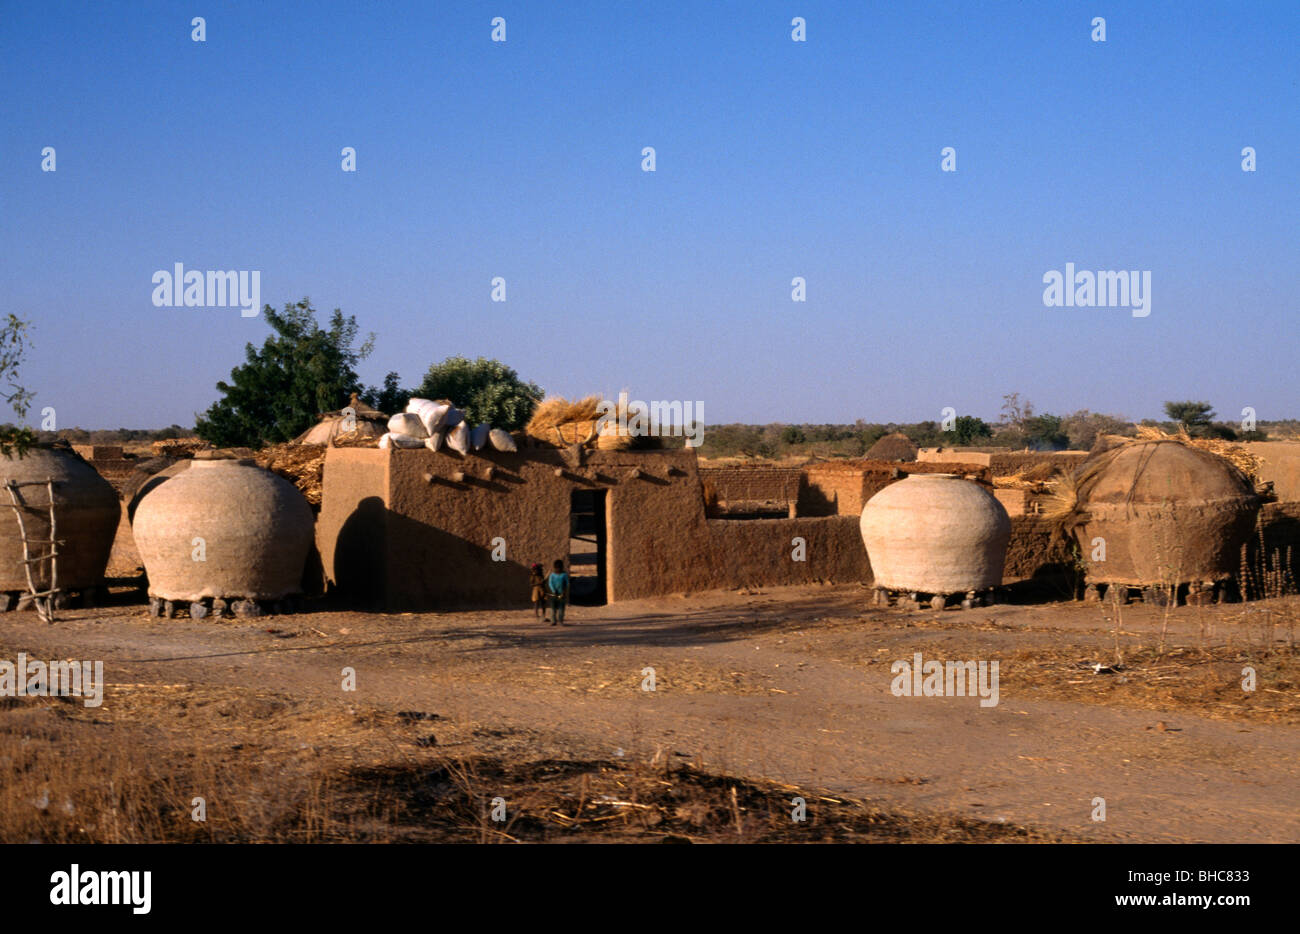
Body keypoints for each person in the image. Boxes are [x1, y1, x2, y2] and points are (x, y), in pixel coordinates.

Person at [546, 559, 570, 626]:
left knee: (561, 609)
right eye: (557, 568)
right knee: (553, 609)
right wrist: (554, 590)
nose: (558, 569)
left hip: (562, 594)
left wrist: (564, 591)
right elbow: (550, 583)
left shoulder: (564, 575)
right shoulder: (552, 575)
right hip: (553, 594)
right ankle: (553, 621)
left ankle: (560, 621)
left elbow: (567, 583)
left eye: (559, 568)